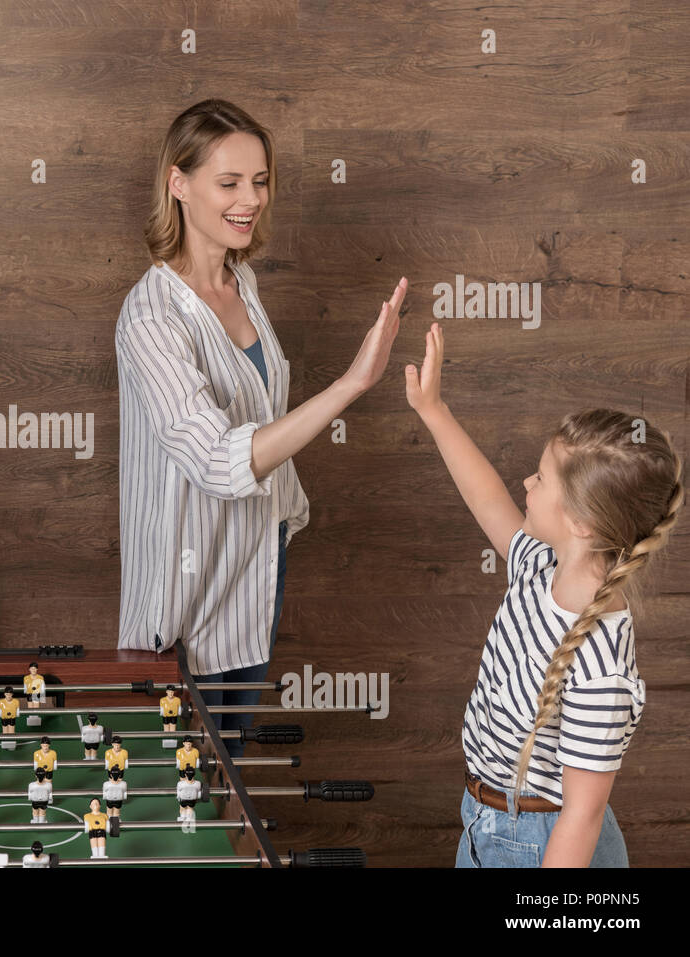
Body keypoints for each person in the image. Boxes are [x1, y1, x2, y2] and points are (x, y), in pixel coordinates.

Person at [115, 99, 406, 758]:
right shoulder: (151, 318)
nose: (251, 199)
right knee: (182, 796)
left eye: (261, 180)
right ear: (178, 183)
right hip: (185, 598)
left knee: (228, 773)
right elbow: (219, 463)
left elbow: (260, 416)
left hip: (254, 572)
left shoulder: (241, 280)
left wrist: (284, 514)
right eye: (230, 183)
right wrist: (351, 384)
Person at [405, 323, 682, 867]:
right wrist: (433, 409)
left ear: (581, 522)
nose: (526, 484)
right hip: (486, 820)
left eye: (540, 479)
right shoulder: (540, 566)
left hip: (541, 845)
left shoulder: (601, 665)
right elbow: (487, 499)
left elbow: (581, 816)